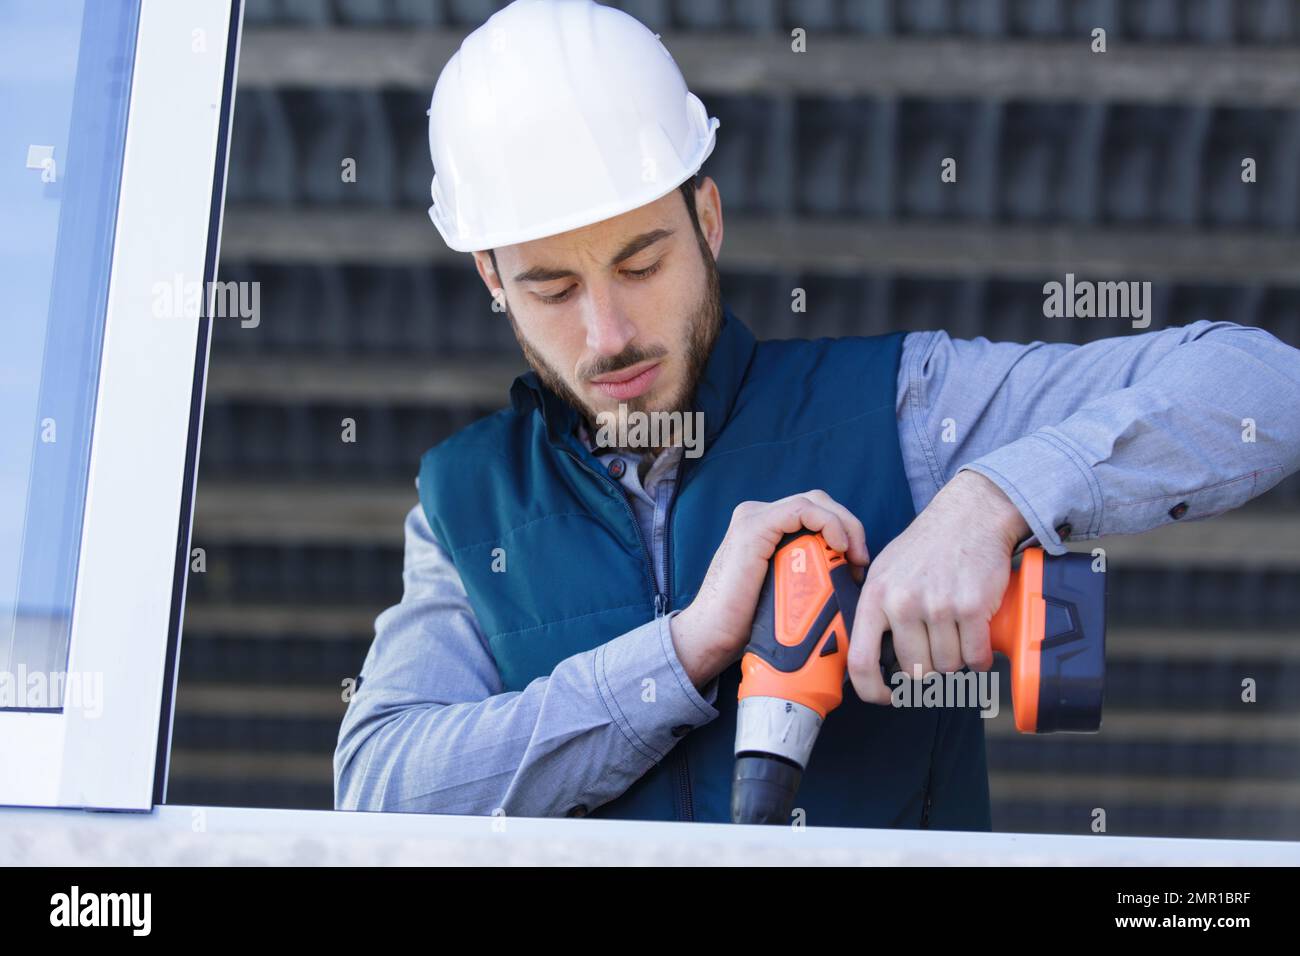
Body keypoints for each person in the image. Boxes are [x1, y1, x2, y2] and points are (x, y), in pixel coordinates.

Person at [333, 0, 1300, 827]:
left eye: (642, 263)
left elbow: (1263, 387)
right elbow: (379, 793)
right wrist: (679, 656)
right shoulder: (466, 506)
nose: (608, 334)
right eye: (551, 289)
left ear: (707, 220)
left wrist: (987, 501)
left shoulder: (905, 409)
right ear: (490, 279)